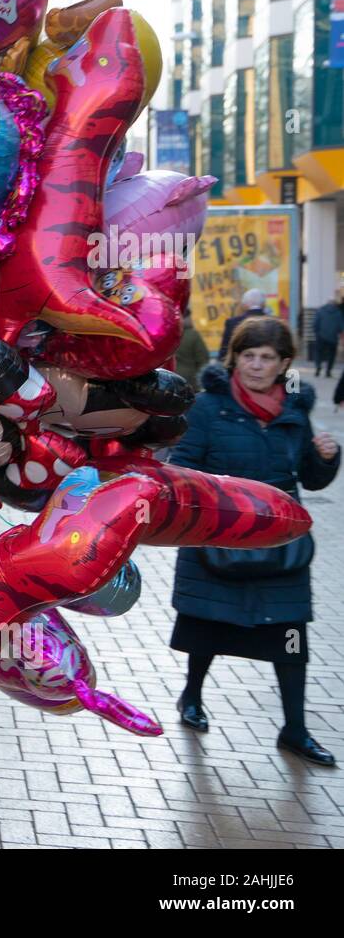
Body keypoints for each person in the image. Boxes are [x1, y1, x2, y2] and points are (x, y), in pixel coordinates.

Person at [169, 317, 339, 767]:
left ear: (284, 363)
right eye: (249, 357)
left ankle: (295, 729)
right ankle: (192, 695)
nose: (257, 366)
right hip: (221, 540)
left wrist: (328, 458)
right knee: (208, 626)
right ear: (235, 358)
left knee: (288, 636)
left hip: (281, 547)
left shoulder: (295, 411)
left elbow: (312, 478)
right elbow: (182, 468)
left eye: (267, 358)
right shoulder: (208, 407)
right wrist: (214, 507)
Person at [217, 288, 266, 362]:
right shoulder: (275, 323)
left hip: (239, 370)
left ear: (244, 305)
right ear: (263, 304)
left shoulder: (232, 323)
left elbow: (224, 353)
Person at [173, 306, 211, 391]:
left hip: (169, 379)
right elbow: (203, 359)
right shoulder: (193, 335)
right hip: (190, 381)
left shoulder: (168, 335)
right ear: (186, 318)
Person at [312, 292, 343, 378]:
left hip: (320, 337)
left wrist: (317, 333)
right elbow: (341, 326)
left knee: (318, 352)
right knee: (331, 355)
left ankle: (318, 367)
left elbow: (315, 324)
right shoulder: (338, 313)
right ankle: (328, 371)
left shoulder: (320, 310)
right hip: (333, 338)